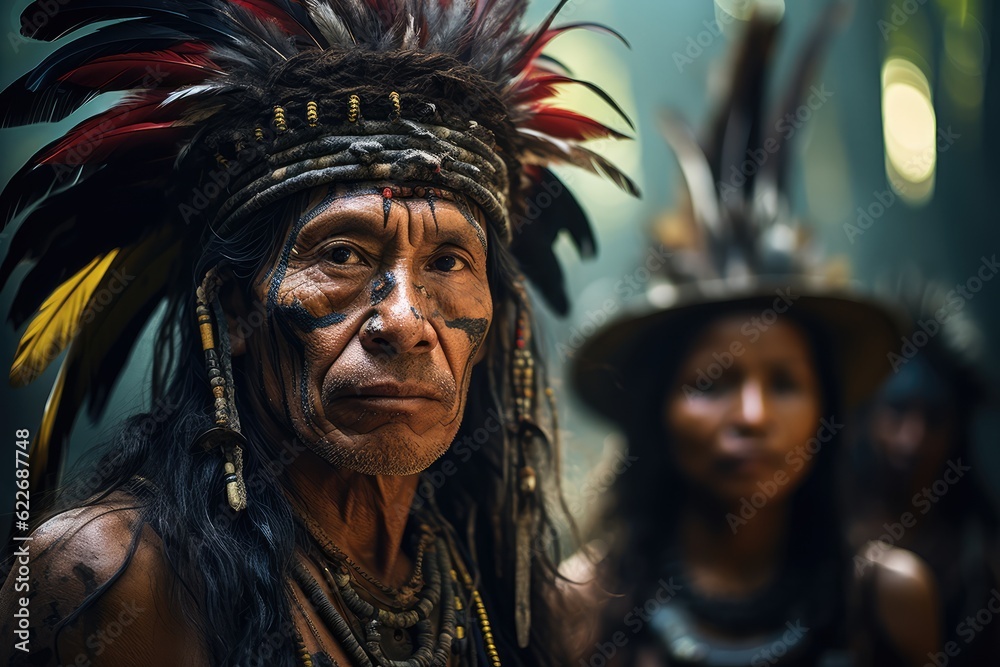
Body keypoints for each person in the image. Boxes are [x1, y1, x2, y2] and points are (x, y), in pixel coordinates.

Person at [0, 1, 638, 665]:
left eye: (447, 262)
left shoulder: (508, 597)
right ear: (233, 314)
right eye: (342, 254)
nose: (403, 321)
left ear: (499, 325)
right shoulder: (103, 581)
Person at [568, 7, 941, 666]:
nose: (752, 415)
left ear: (826, 405)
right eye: (713, 383)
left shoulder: (891, 599)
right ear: (658, 404)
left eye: (786, 383)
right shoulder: (583, 603)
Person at [843, 275, 1000, 665]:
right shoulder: (822, 530)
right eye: (897, 409)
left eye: (932, 417)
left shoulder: (981, 565)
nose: (911, 438)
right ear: (866, 413)